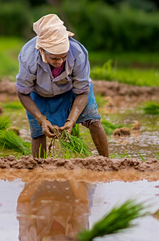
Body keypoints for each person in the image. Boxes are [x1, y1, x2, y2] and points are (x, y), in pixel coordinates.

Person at [16, 14, 108, 159]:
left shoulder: (78, 52)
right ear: (42, 50)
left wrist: (71, 121)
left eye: (64, 57)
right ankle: (39, 170)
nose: (60, 62)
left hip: (72, 90)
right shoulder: (29, 57)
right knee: (39, 133)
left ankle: (107, 162)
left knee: (94, 120)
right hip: (40, 93)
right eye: (54, 58)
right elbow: (23, 93)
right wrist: (41, 119)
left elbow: (83, 91)